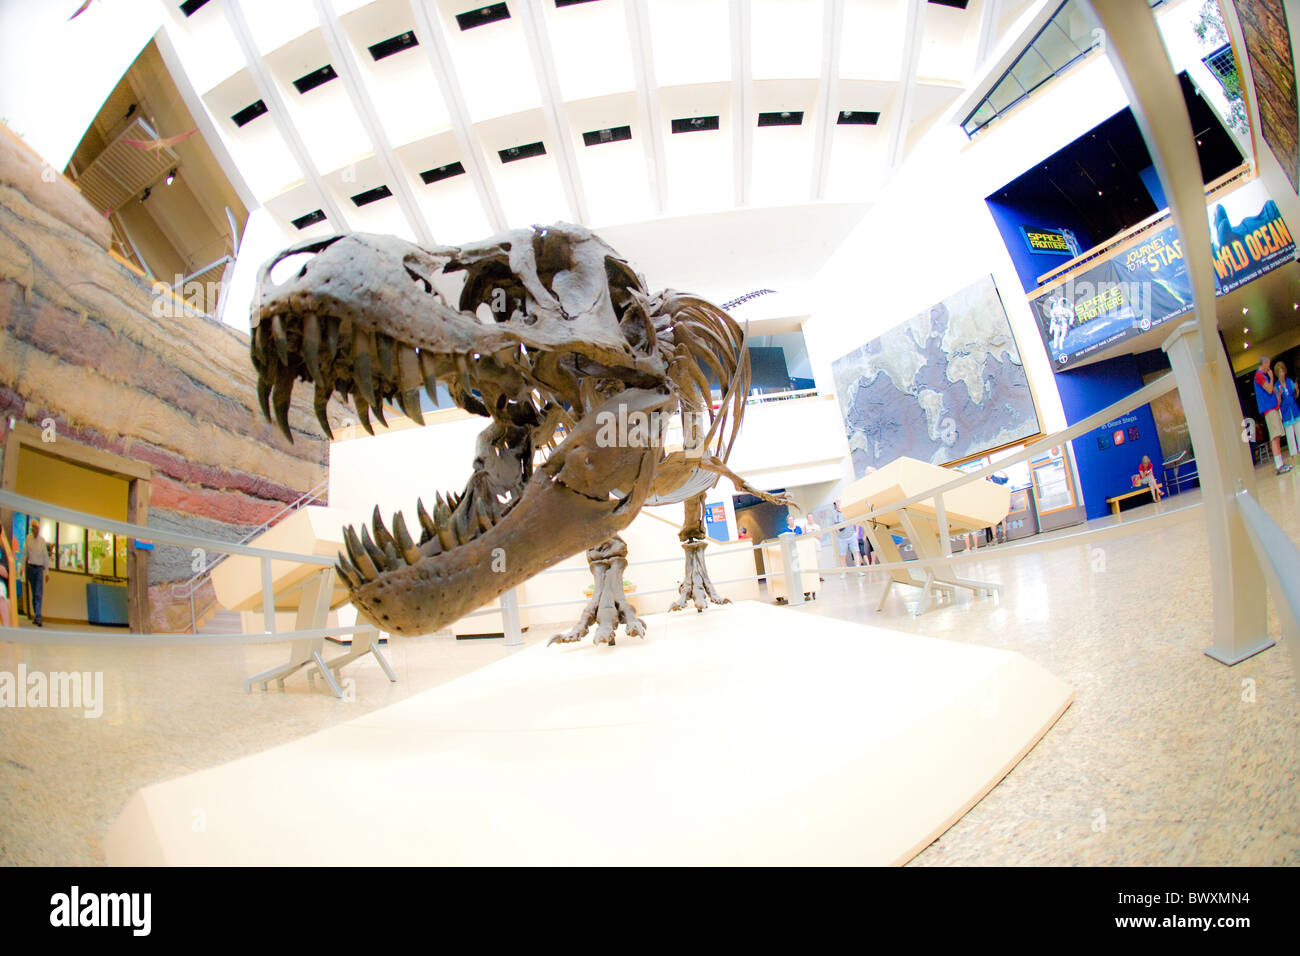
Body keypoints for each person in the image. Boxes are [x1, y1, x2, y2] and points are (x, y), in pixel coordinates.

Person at [1254, 355, 1292, 474]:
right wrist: (1271, 378)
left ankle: (1280, 463)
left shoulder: (1262, 375)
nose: (1269, 368)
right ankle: (1279, 466)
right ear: (1263, 364)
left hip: (1273, 409)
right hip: (1269, 410)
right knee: (1275, 437)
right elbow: (1269, 390)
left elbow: (1273, 391)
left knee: (1277, 436)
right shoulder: (1259, 375)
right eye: (1268, 365)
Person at [24, 521, 49, 627]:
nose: (36, 530)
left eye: (37, 528)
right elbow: (24, 554)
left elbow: (45, 557)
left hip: (39, 569)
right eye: (34, 528)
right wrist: (21, 568)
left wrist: (47, 572)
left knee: (38, 593)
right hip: (30, 568)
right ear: (31, 528)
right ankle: (36, 615)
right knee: (34, 593)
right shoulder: (28, 539)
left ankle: (38, 616)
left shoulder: (42, 541)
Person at [1274, 360, 1300, 462]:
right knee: (1290, 436)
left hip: (1295, 411)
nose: (1282, 374)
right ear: (1277, 373)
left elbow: (1296, 395)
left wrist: (1297, 389)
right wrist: (1279, 394)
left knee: (1299, 432)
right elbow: (1278, 403)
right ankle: (1293, 456)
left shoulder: (1289, 381)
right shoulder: (1277, 386)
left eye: (1283, 371)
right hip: (1286, 413)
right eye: (1280, 372)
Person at [831, 499, 860, 568]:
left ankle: (859, 568)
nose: (838, 503)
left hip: (851, 534)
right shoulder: (834, 514)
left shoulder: (847, 510)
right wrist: (837, 532)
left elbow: (856, 521)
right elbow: (833, 527)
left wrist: (857, 532)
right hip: (841, 537)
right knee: (842, 555)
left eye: (839, 501)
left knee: (856, 552)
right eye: (836, 502)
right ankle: (844, 570)